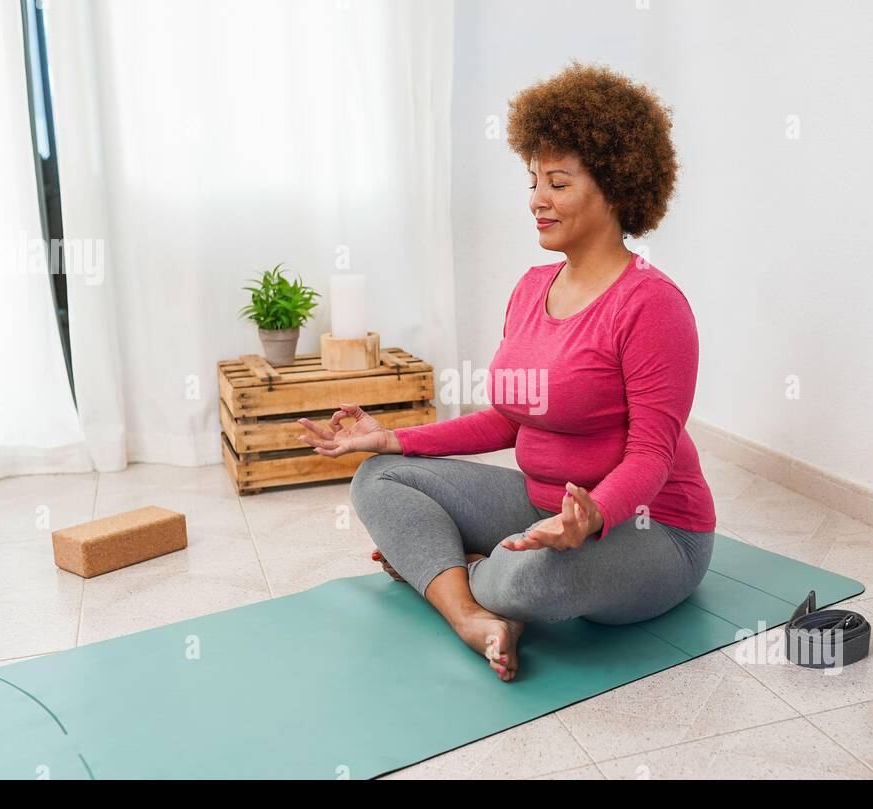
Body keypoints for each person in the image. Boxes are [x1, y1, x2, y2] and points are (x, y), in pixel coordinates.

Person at [297, 61, 715, 682]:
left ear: (615, 188)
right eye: (533, 181)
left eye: (558, 183)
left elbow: (652, 456)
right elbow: (508, 420)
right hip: (536, 504)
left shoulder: (653, 304)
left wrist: (593, 517)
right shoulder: (530, 288)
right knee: (377, 478)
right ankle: (471, 612)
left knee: (533, 580)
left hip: (653, 529)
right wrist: (389, 438)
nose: (537, 200)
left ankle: (453, 574)